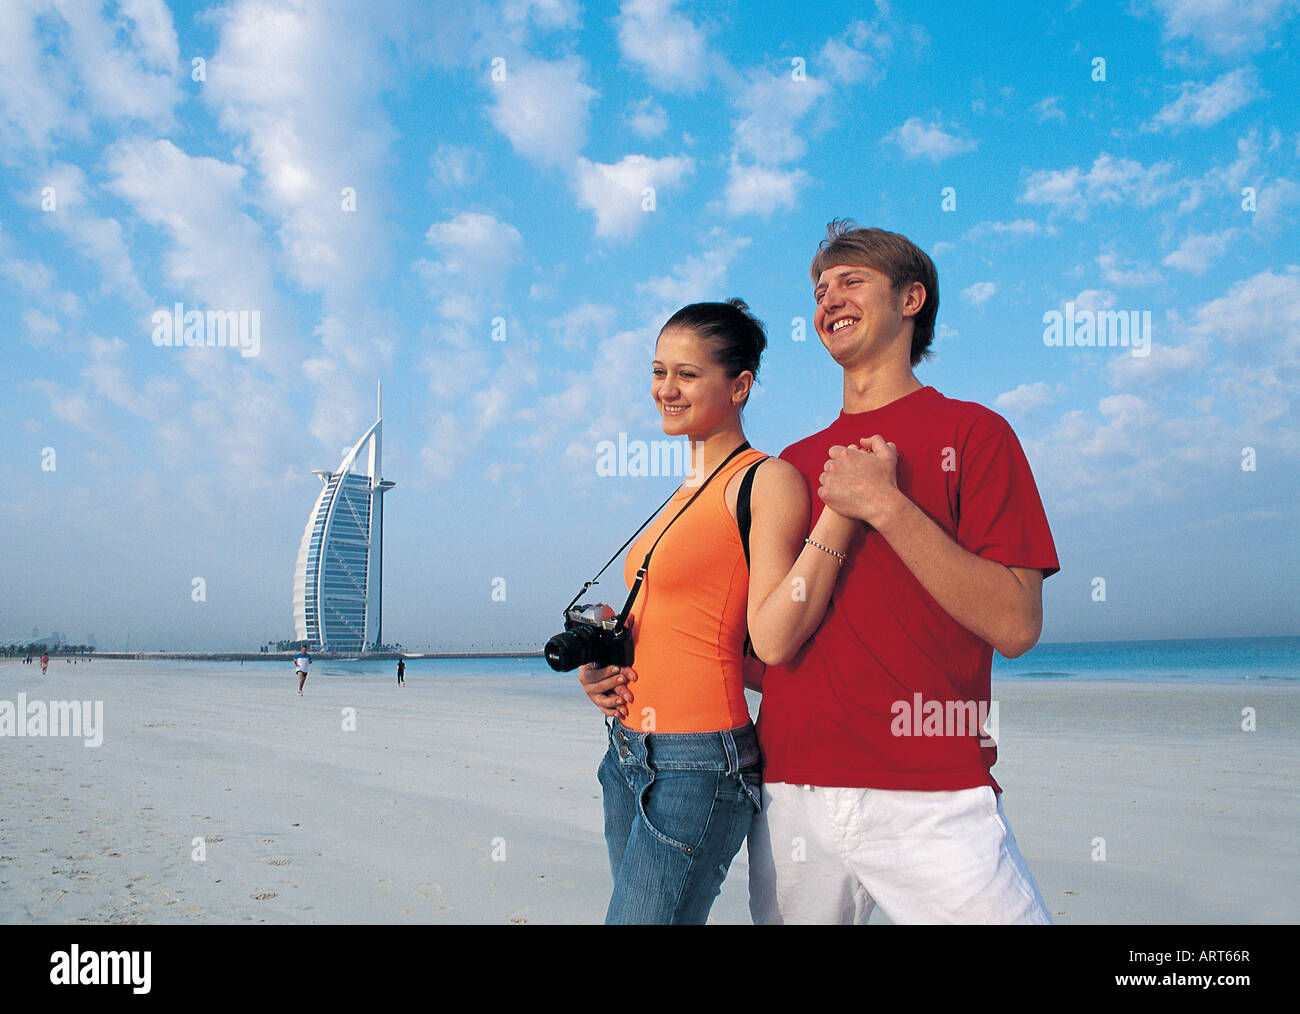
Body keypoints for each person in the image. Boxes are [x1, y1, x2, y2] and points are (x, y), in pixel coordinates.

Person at [742, 220, 1060, 924]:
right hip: (792, 793)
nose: (829, 300)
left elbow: (1015, 622)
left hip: (933, 794)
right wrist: (631, 661)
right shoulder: (789, 465)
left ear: (911, 298)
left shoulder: (975, 435)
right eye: (820, 289)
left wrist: (886, 505)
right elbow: (763, 647)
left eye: (851, 281)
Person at [576, 299, 857, 924]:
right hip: (626, 752)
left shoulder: (765, 480)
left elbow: (773, 634)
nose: (665, 390)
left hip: (698, 764)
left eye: (686, 374)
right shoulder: (679, 493)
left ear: (740, 386)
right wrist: (602, 669)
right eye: (657, 371)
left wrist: (842, 515)